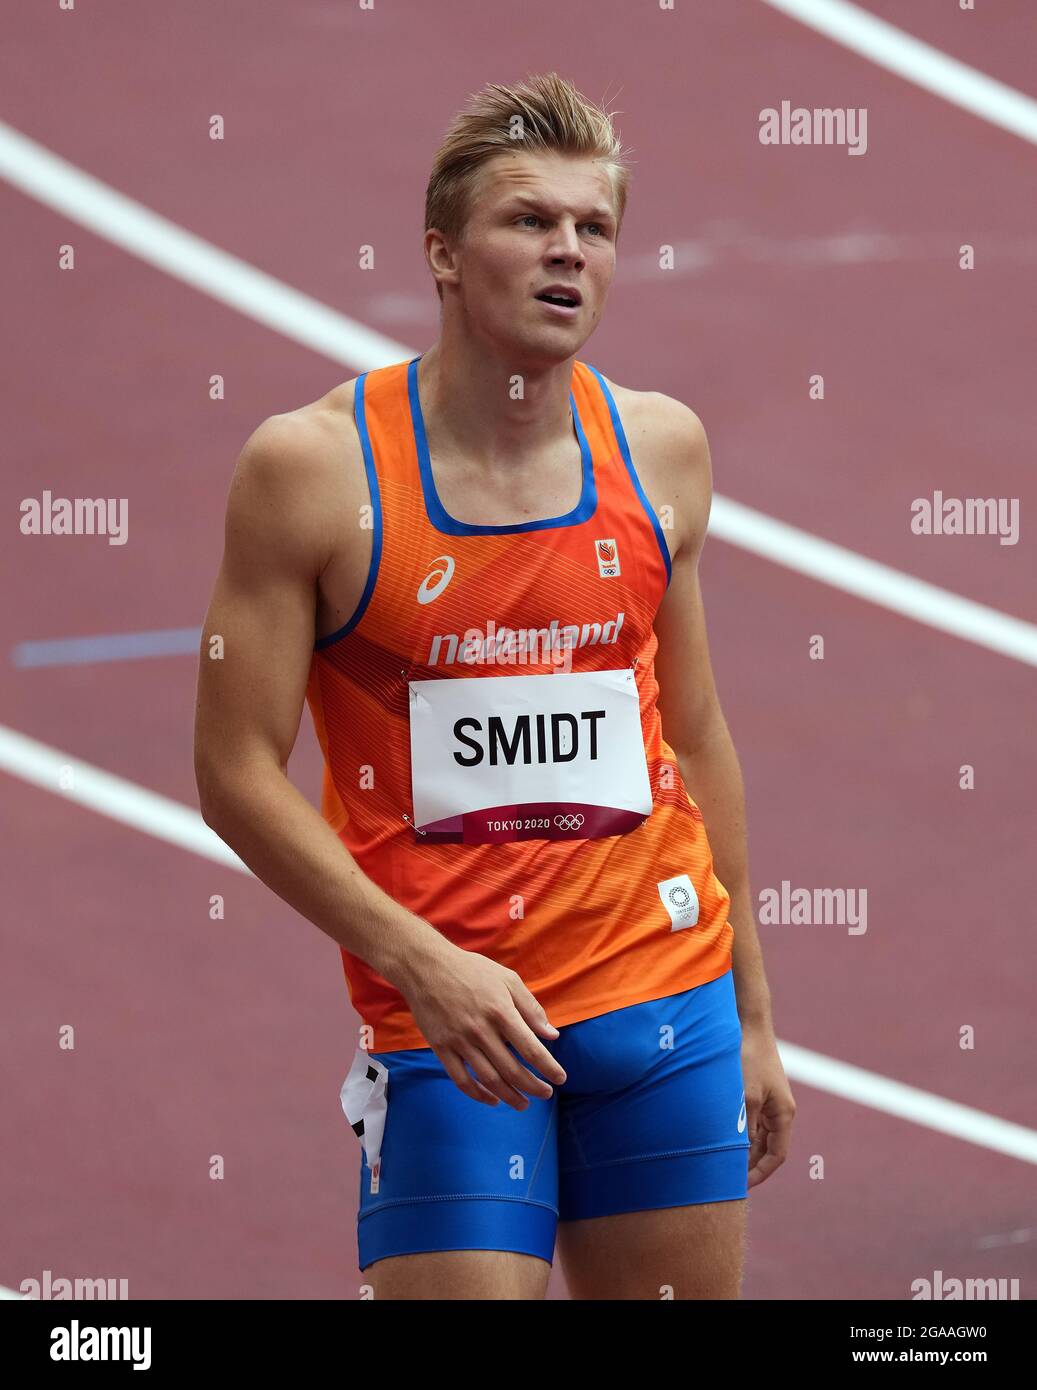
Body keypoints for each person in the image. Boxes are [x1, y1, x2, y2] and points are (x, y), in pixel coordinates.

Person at [193, 71, 795, 1301]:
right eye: (529, 221)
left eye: (594, 228)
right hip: (454, 1031)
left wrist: (752, 1013)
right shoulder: (311, 471)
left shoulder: (659, 448)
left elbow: (692, 733)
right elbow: (234, 771)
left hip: (663, 1003)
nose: (567, 252)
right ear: (441, 255)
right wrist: (419, 962)